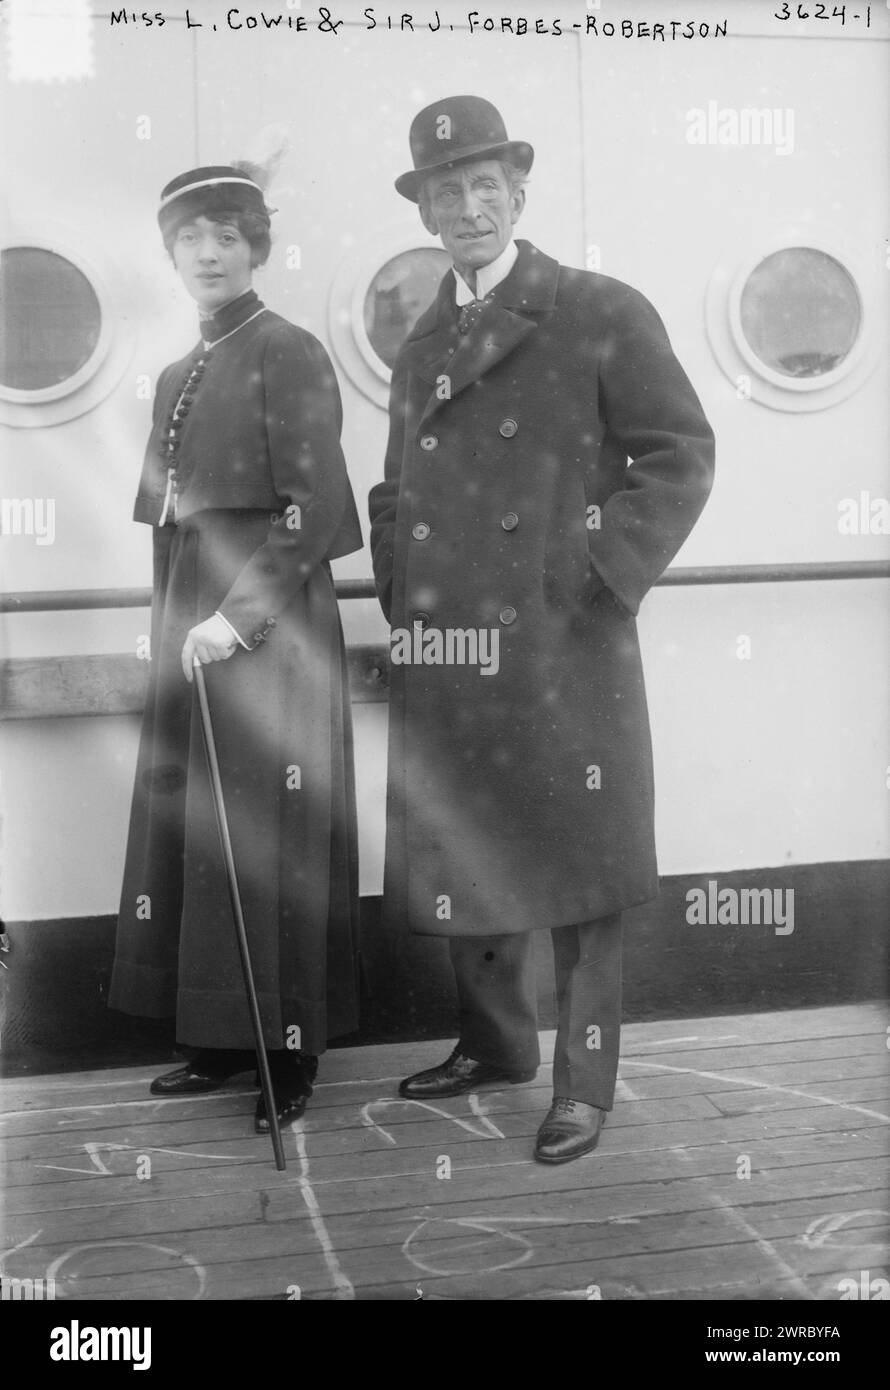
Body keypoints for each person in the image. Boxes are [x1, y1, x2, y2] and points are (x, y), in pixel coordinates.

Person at [369, 96, 715, 1163]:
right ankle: (494, 1043)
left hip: (562, 642)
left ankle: (583, 1085)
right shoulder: (423, 336)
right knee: (467, 852)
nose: (466, 208)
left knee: (582, 874)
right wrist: (403, 586)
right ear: (425, 213)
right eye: (444, 192)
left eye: (483, 187)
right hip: (452, 644)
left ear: (517, 195)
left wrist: (595, 575)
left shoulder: (596, 306)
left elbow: (677, 453)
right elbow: (391, 491)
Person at [110, 163, 363, 1132]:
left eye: (225, 234)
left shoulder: (288, 350)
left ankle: (287, 1059)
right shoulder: (178, 372)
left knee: (271, 841)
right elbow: (170, 528)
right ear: (170, 255)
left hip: (272, 630)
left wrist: (234, 616)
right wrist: (176, 625)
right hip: (193, 622)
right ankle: (217, 1039)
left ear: (255, 246)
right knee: (202, 833)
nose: (207, 253)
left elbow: (314, 511)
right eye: (189, 239)